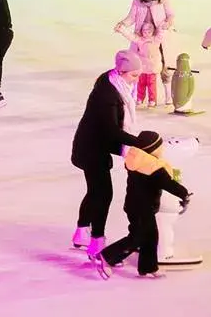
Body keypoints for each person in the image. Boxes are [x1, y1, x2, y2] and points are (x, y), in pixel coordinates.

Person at [70, 50, 144, 258]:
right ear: (121, 72)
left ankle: (81, 232)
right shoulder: (108, 95)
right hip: (92, 150)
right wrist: (139, 142)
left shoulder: (111, 83)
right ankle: (97, 240)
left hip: (91, 145)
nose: (136, 80)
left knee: (95, 192)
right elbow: (111, 131)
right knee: (103, 194)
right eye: (133, 75)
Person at [95, 131, 192, 279]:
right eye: (160, 146)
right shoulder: (153, 167)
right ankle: (106, 256)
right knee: (138, 237)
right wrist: (184, 194)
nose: (162, 149)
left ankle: (148, 267)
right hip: (142, 208)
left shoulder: (137, 160)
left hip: (135, 205)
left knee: (151, 236)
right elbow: (169, 184)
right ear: (152, 149)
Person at [115, 0, 176, 104]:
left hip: (159, 36)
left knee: (163, 65)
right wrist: (122, 24)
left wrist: (167, 23)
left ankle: (168, 95)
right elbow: (131, 17)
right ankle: (135, 94)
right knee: (136, 65)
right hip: (141, 35)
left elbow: (171, 14)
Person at [115, 21, 162, 108]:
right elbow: (131, 37)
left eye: (149, 32)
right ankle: (140, 98)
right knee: (141, 84)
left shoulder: (156, 40)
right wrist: (122, 29)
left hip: (152, 68)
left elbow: (161, 33)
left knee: (151, 85)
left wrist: (163, 26)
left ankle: (152, 100)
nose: (146, 34)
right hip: (143, 68)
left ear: (152, 32)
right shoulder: (140, 40)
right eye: (144, 32)